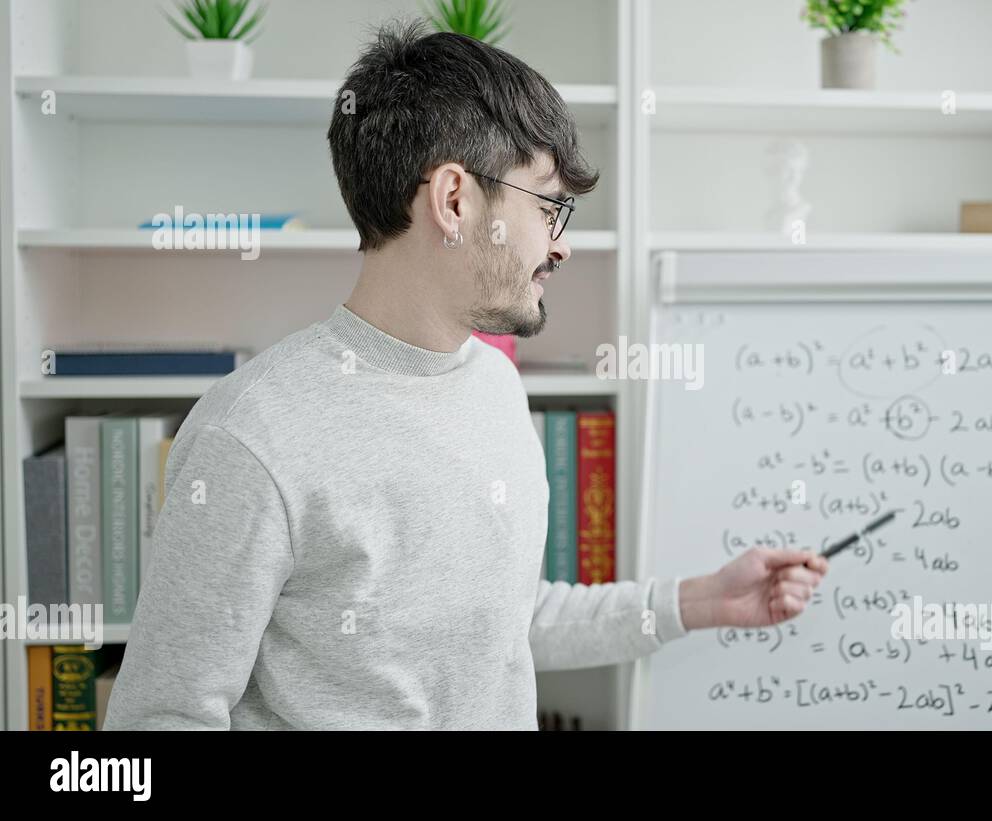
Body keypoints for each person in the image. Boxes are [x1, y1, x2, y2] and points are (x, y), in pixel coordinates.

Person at [105, 22, 828, 730]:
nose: (562, 244)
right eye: (548, 206)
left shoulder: (494, 384)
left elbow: (501, 624)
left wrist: (701, 601)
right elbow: (158, 719)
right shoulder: (253, 435)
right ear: (455, 200)